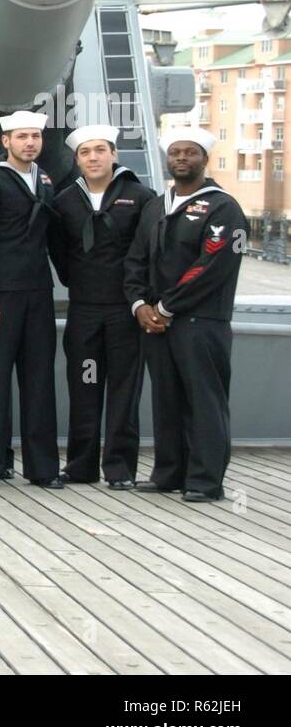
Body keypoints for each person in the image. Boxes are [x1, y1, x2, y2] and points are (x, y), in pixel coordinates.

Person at [125, 128, 243, 502]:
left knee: (204, 400)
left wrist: (165, 306)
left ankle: (206, 480)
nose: (181, 158)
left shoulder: (223, 207)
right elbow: (136, 260)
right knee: (167, 398)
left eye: (190, 153)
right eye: (175, 152)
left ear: (204, 160)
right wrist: (140, 305)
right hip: (157, 323)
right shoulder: (158, 206)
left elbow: (213, 265)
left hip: (201, 322)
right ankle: (169, 472)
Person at [0, 110, 62, 487]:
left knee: (39, 383)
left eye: (35, 136)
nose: (30, 143)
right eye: (22, 137)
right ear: (6, 142)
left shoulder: (45, 181)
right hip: (0, 296)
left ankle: (43, 469)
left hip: (38, 293)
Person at [50, 126, 153, 489]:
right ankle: (81, 465)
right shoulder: (64, 202)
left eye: (99, 151)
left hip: (125, 312)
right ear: (77, 160)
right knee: (85, 384)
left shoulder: (141, 198)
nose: (93, 158)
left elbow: (148, 253)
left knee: (124, 389)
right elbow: (60, 253)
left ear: (114, 155)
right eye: (85, 153)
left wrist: (142, 298)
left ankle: (120, 468)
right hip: (85, 312)